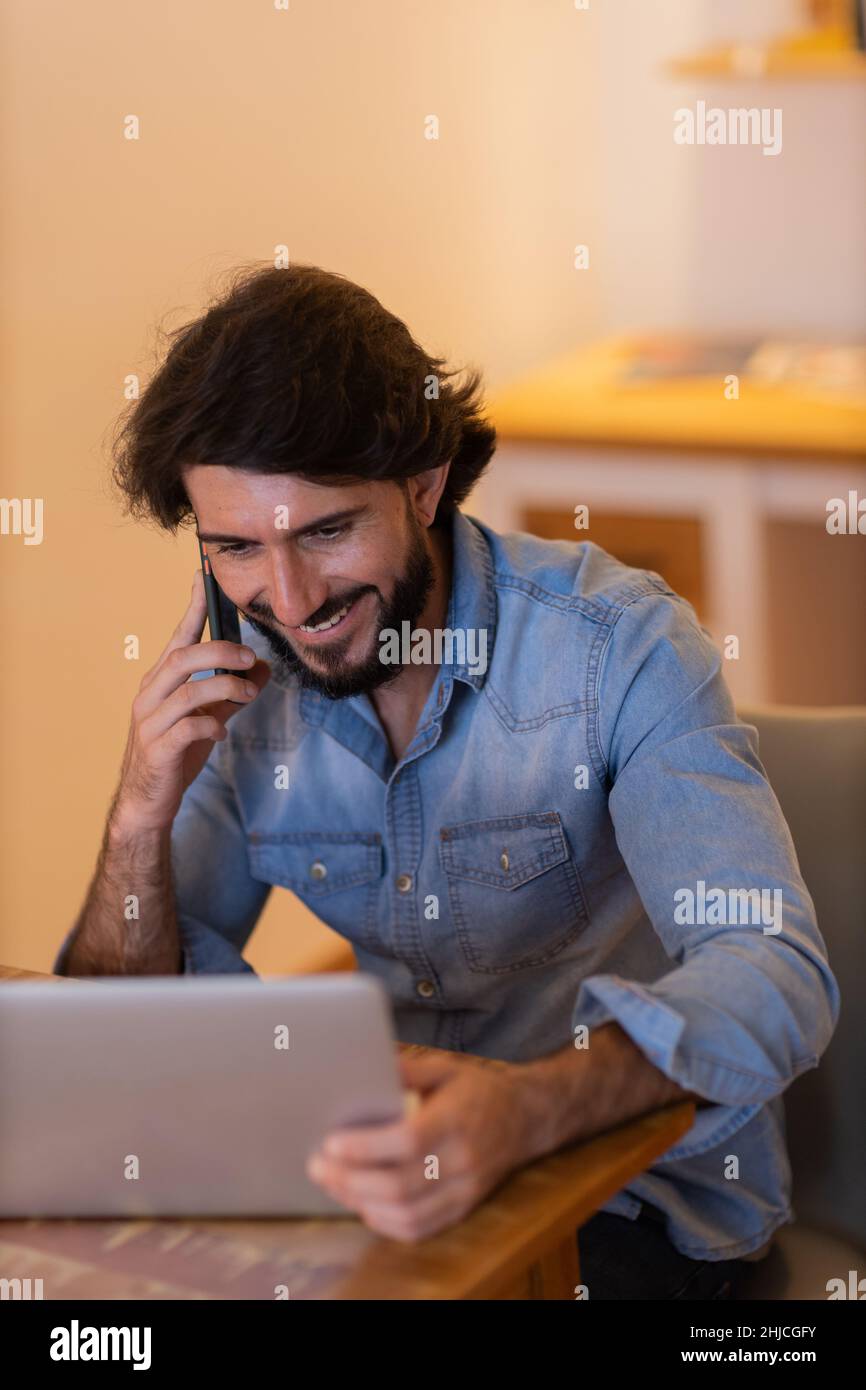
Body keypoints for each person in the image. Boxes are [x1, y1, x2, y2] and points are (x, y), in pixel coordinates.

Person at [56, 263, 839, 1298]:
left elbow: (774, 970)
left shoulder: (619, 647)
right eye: (236, 547)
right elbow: (112, 1038)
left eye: (325, 531)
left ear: (423, 484)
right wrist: (138, 816)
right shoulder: (243, 687)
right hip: (387, 1199)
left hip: (630, 1206)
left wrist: (526, 1109)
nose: (289, 599)